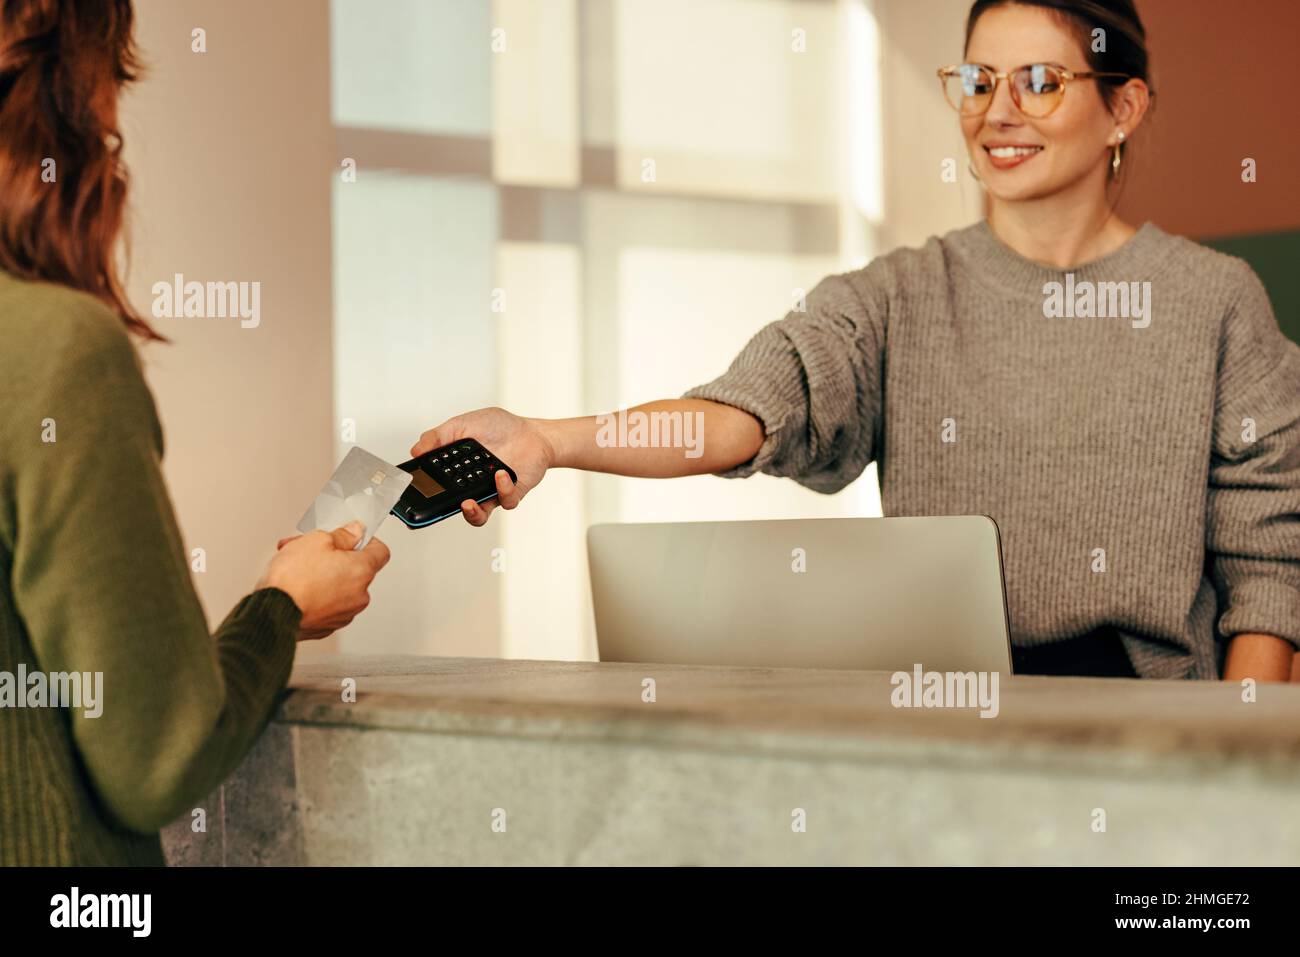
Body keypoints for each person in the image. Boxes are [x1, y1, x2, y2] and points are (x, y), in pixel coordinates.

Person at [412, 0, 1300, 682]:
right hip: (941, 732)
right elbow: (747, 411)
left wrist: (1226, 765)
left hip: (1151, 749)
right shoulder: (898, 297)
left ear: (1124, 108)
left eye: (1039, 81)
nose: (997, 113)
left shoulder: (1216, 301)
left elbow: (1269, 567)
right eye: (977, 81)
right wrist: (550, 439)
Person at [0, 0, 389, 865]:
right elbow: (158, 753)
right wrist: (280, 606)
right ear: (67, 100)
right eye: (113, 85)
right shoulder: (55, 350)